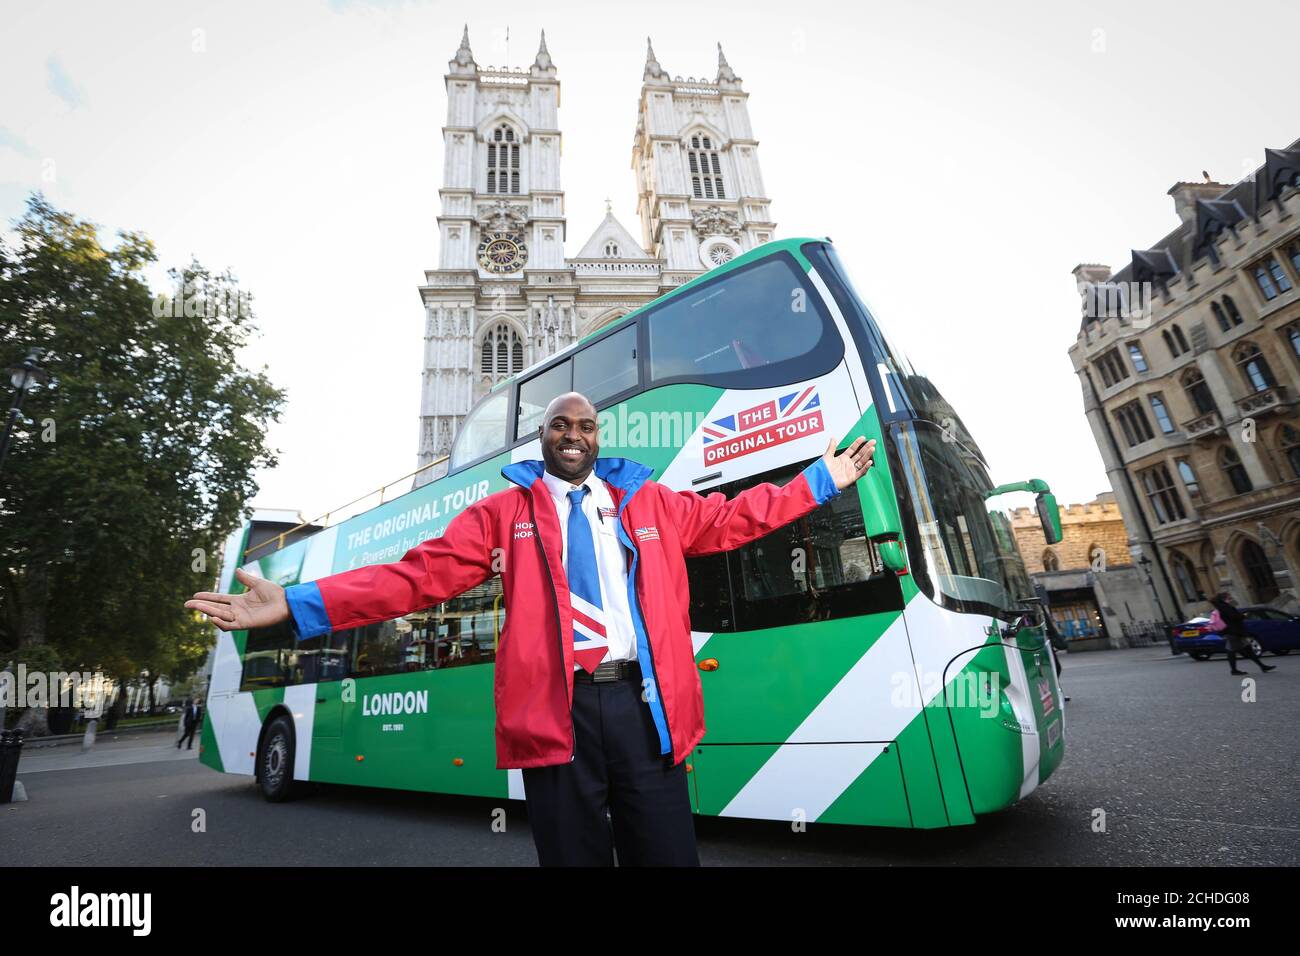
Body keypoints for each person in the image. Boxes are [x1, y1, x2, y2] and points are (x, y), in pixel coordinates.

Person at [186, 391, 876, 866]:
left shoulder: (651, 502)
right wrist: (297, 606)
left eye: (585, 427)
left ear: (598, 439)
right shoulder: (501, 515)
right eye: (560, 427)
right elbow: (413, 577)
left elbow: (737, 516)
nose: (573, 435)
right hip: (560, 715)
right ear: (541, 439)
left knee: (667, 855)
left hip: (645, 709)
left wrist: (823, 479)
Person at [1208, 591, 1275, 675]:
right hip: (1234, 632)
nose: (1230, 599)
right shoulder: (1225, 607)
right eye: (1229, 597)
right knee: (1233, 651)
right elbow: (1234, 617)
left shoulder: (1221, 607)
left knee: (1245, 649)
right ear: (1224, 599)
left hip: (1233, 632)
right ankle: (1235, 670)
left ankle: (1262, 666)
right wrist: (1243, 616)